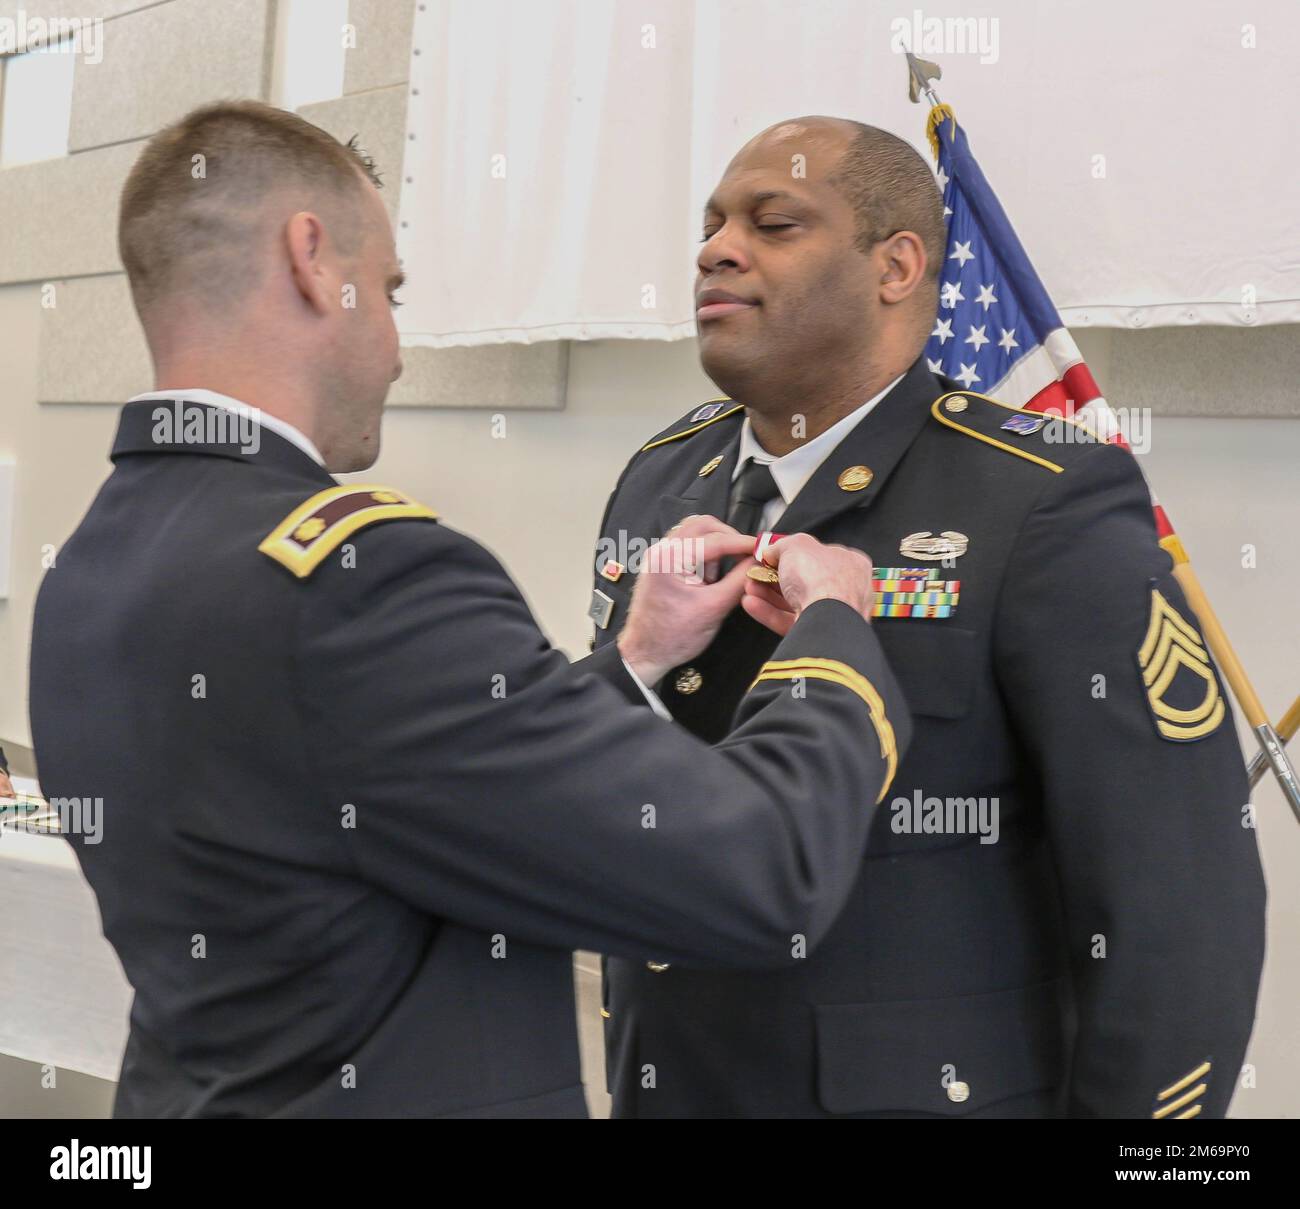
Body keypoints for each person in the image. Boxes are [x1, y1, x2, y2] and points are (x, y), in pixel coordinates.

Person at [26, 102, 912, 1119]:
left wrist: (631, 661)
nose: (397, 348)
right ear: (314, 261)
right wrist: (835, 634)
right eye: (392, 293)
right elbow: (765, 874)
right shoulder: (362, 578)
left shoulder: (91, 566)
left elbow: (406, 783)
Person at [592, 116, 1267, 1119]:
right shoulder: (658, 482)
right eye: (712, 223)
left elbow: (1177, 904)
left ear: (896, 266)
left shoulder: (1042, 502)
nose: (714, 249)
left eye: (772, 222)